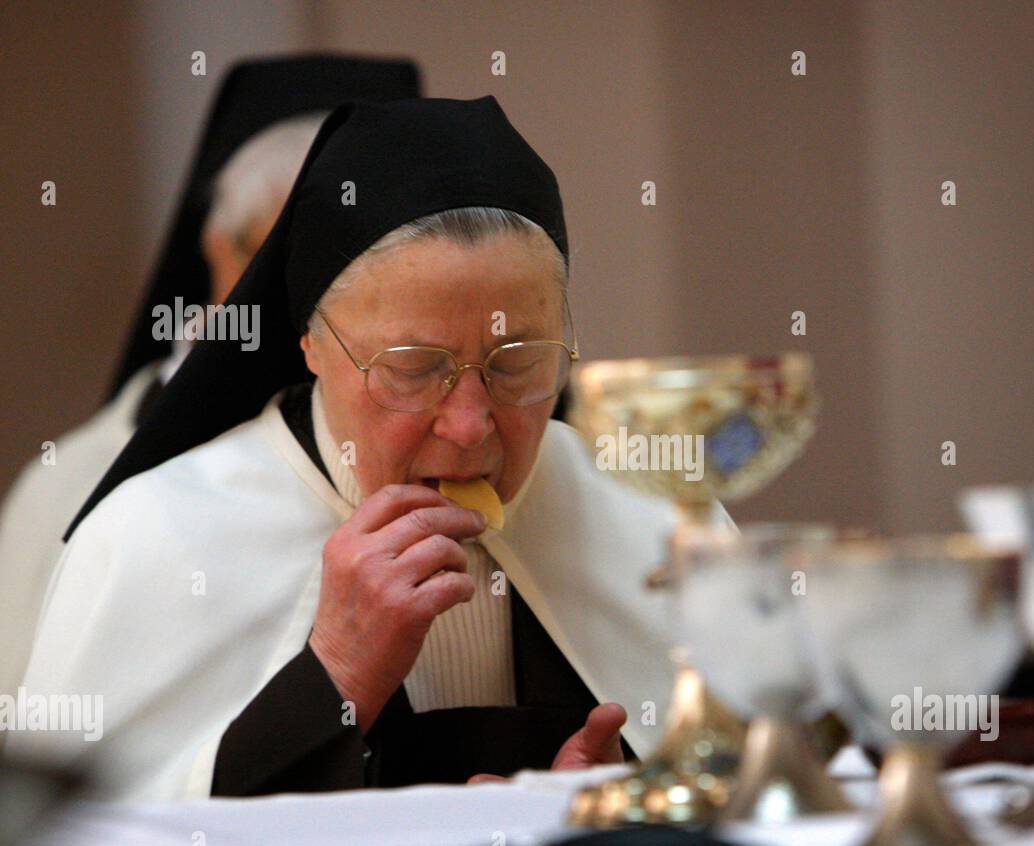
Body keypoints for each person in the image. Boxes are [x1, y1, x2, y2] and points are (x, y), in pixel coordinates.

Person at [12, 97, 727, 801]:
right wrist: (335, 675)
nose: (470, 424)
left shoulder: (651, 508)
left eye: (516, 364)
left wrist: (623, 808)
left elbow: (778, 789)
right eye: (415, 370)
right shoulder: (157, 535)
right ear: (312, 345)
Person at [0, 56, 420, 700]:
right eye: (285, 255)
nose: (319, 300)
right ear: (219, 248)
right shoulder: (80, 484)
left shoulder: (487, 448)